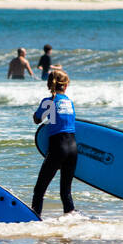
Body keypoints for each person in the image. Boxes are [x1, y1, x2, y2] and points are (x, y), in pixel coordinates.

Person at [31, 69, 77, 218]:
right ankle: (71, 221)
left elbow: (37, 120)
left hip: (58, 148)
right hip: (73, 149)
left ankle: (33, 220)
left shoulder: (48, 101)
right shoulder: (69, 102)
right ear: (65, 85)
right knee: (66, 192)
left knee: (39, 190)